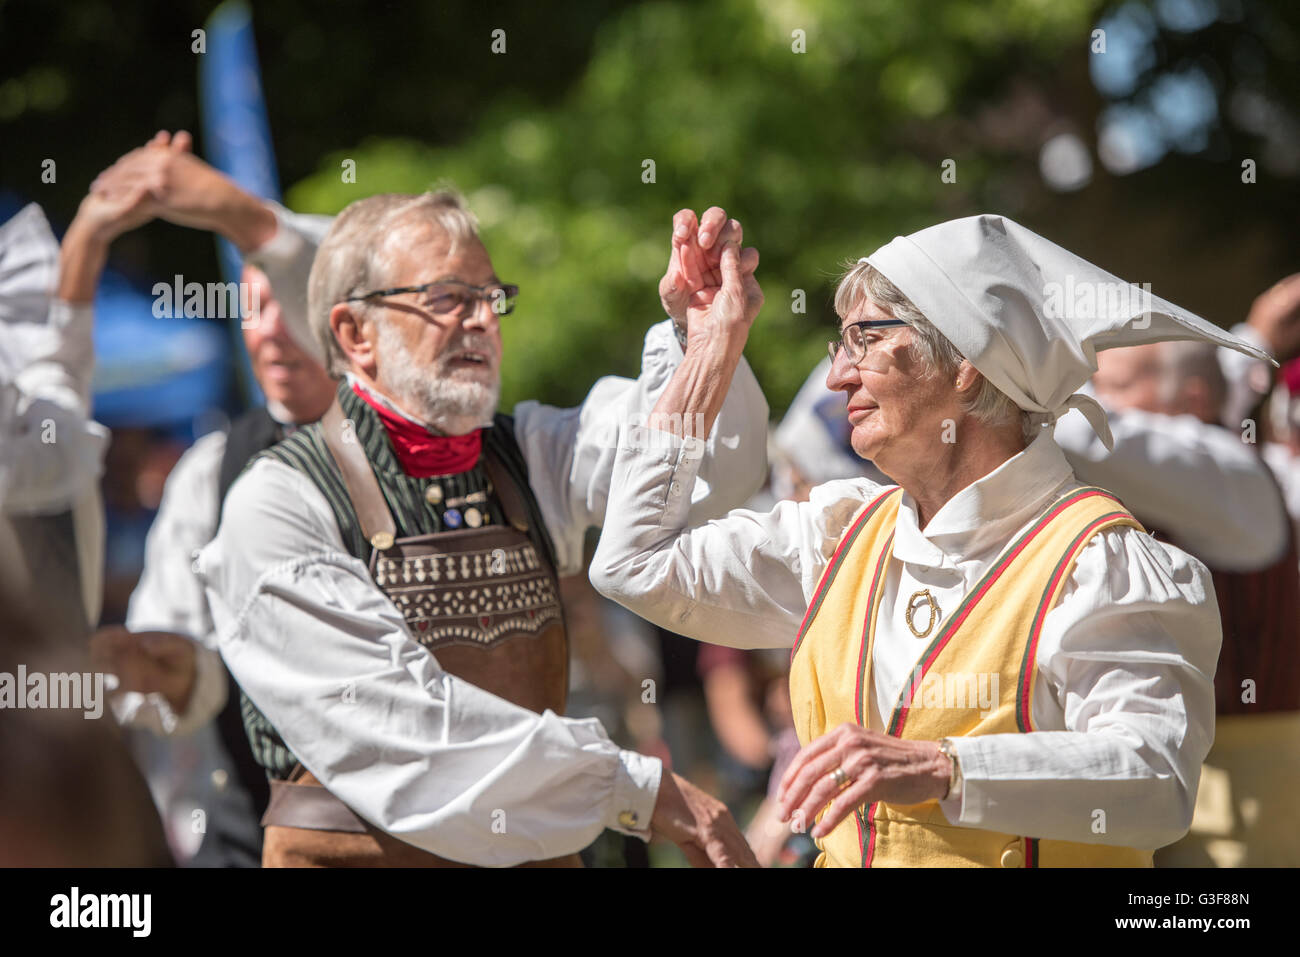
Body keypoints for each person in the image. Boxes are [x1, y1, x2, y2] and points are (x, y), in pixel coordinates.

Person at [592, 212, 1274, 867]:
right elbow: (635, 565)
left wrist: (946, 766)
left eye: (865, 338)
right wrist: (706, 352)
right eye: (842, 343)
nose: (836, 377)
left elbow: (1156, 781)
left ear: (968, 360)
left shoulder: (1099, 561)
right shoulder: (838, 535)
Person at [188, 195, 769, 867]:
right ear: (355, 333)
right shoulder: (281, 500)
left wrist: (700, 341)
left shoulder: (528, 454)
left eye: (492, 296)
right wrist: (633, 786)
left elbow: (704, 475)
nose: (484, 318)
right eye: (448, 297)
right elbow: (406, 735)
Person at [86, 131, 338, 866]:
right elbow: (176, 653)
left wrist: (233, 210)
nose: (270, 333)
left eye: (288, 302)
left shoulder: (419, 453)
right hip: (255, 838)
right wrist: (169, 669)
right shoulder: (211, 470)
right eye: (251, 308)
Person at [1067, 330, 1300, 866]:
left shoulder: (1222, 464)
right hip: (1186, 775)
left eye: (1114, 387)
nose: (1097, 403)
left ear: (1191, 398)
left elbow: (1092, 437)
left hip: (1248, 785)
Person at [0, 194, 170, 865]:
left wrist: (89, 242)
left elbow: (57, 364)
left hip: (69, 774)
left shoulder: (48, 444)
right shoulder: (49, 444)